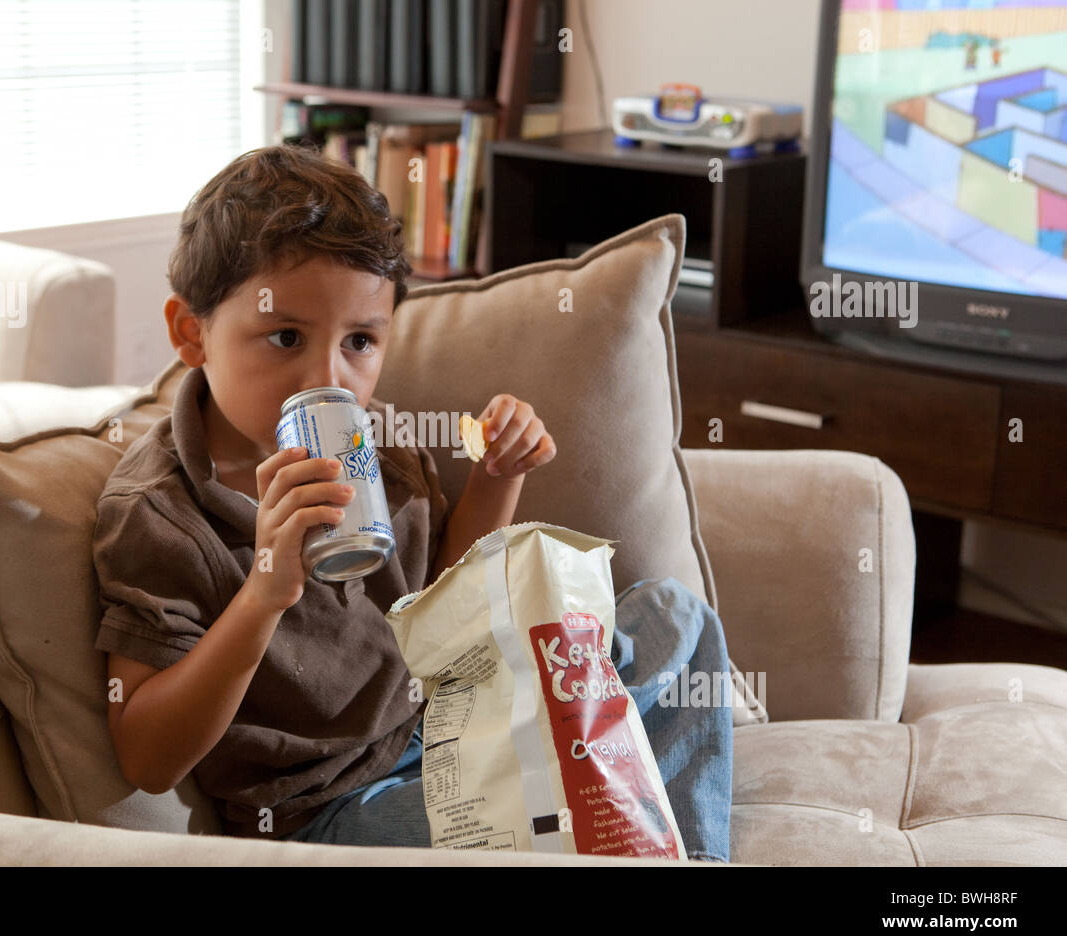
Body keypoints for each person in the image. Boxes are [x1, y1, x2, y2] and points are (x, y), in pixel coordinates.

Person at [91, 143, 732, 862]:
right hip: (334, 806)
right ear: (191, 334)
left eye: (360, 341)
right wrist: (265, 593)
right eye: (284, 337)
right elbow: (146, 755)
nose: (326, 375)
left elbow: (444, 609)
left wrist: (495, 475)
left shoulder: (382, 444)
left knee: (676, 617)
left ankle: (679, 847)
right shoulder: (158, 512)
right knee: (531, 809)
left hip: (455, 726)